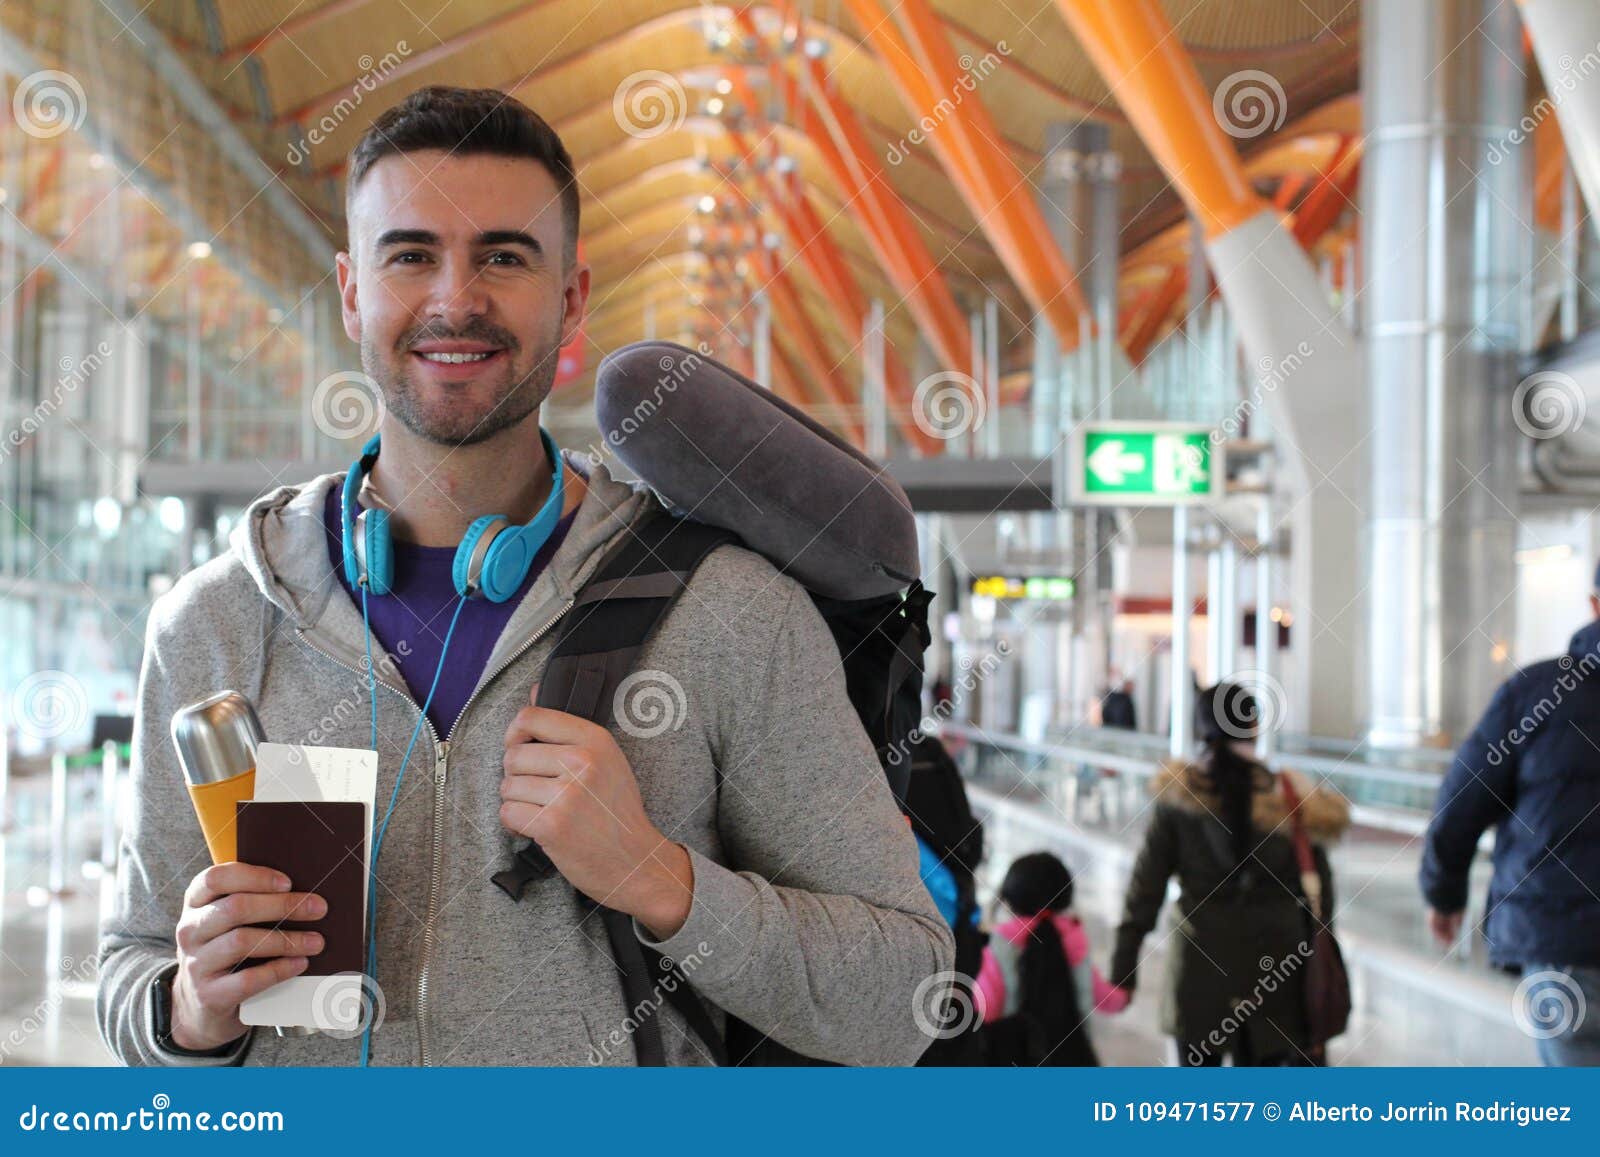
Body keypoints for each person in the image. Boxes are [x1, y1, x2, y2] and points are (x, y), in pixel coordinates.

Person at [95, 86, 952, 1067]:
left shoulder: (725, 611)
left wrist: (661, 877)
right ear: (349, 290)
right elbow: (133, 959)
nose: (455, 299)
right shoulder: (216, 621)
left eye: (503, 256)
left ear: (573, 299)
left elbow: (904, 997)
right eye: (411, 254)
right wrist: (188, 1008)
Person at [1110, 683, 1349, 1066]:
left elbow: (1145, 890)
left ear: (1200, 728)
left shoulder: (1178, 801)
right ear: (1253, 725)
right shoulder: (1293, 799)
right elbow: (1321, 897)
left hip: (1200, 970)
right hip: (1277, 975)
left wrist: (1123, 970)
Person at [1420, 566, 1600, 1066]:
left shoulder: (1537, 693)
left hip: (1563, 940)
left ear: (1593, 606)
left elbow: (1462, 799)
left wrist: (1444, 891)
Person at [975, 851, 1127, 1066]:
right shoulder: (1074, 939)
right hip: (1073, 1060)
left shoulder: (999, 945)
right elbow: (1102, 994)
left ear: (1010, 898)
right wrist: (1124, 997)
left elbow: (985, 1011)